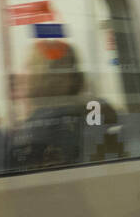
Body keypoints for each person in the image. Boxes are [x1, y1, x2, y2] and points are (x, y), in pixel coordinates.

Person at [6, 40, 88, 171]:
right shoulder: (89, 115)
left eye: (28, 66)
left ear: (40, 76)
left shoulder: (29, 134)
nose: (21, 73)